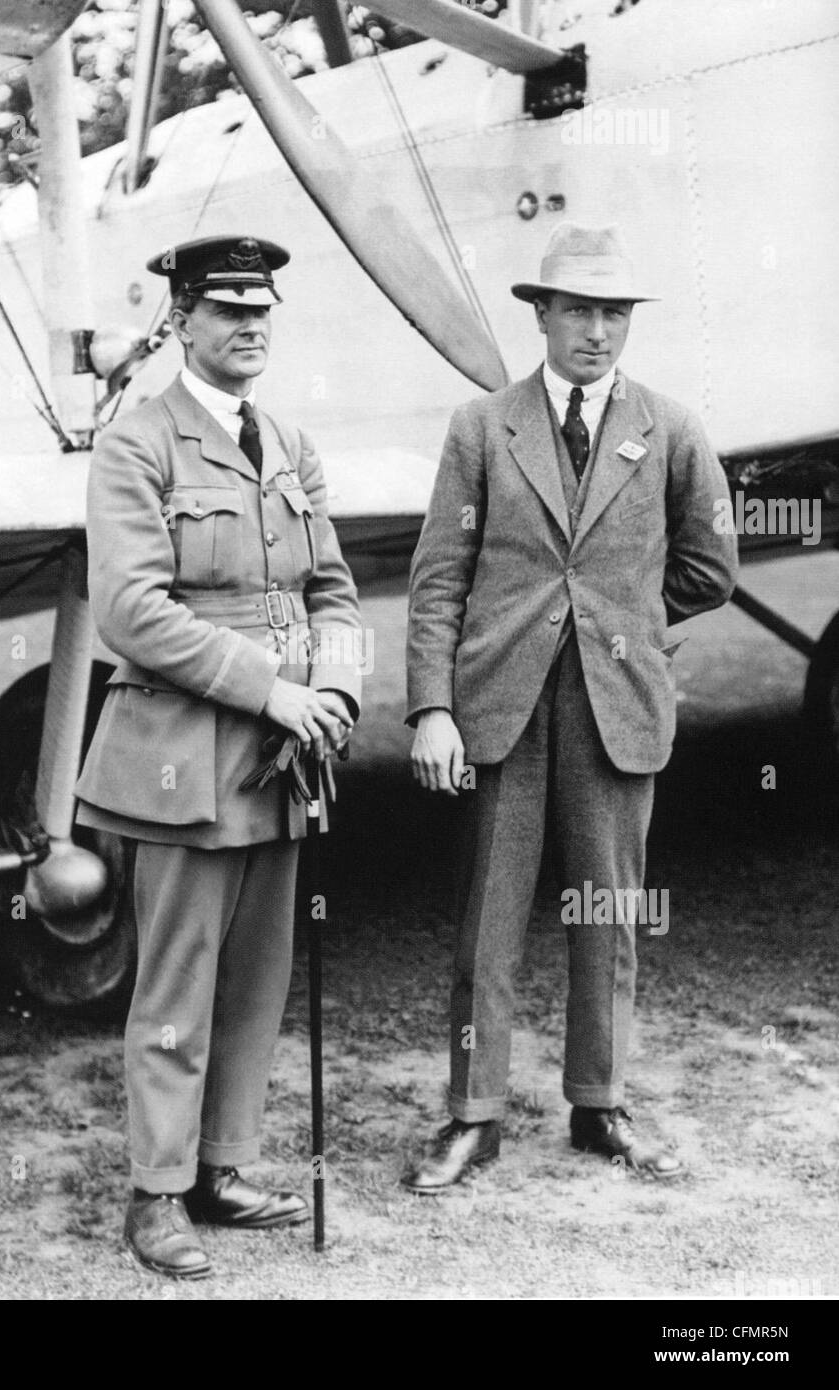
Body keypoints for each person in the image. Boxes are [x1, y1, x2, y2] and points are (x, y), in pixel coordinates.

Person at [403, 222, 738, 1192]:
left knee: (609, 914)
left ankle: (601, 1104)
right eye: (580, 310)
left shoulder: (670, 427)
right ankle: (474, 1115)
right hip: (501, 705)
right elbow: (438, 581)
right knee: (489, 923)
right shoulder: (482, 426)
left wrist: (620, 618)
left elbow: (712, 567)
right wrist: (433, 707)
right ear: (540, 314)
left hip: (615, 704)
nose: (598, 331)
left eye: (615, 313)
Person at [75, 235, 362, 1277]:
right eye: (230, 308)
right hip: (183, 756)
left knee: (255, 975)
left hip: (282, 757)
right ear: (183, 320)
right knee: (177, 982)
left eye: (264, 309)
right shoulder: (137, 444)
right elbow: (132, 611)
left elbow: (331, 590)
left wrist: (335, 687)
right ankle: (155, 1194)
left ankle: (223, 1165)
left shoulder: (287, 441)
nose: (253, 326)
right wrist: (271, 688)